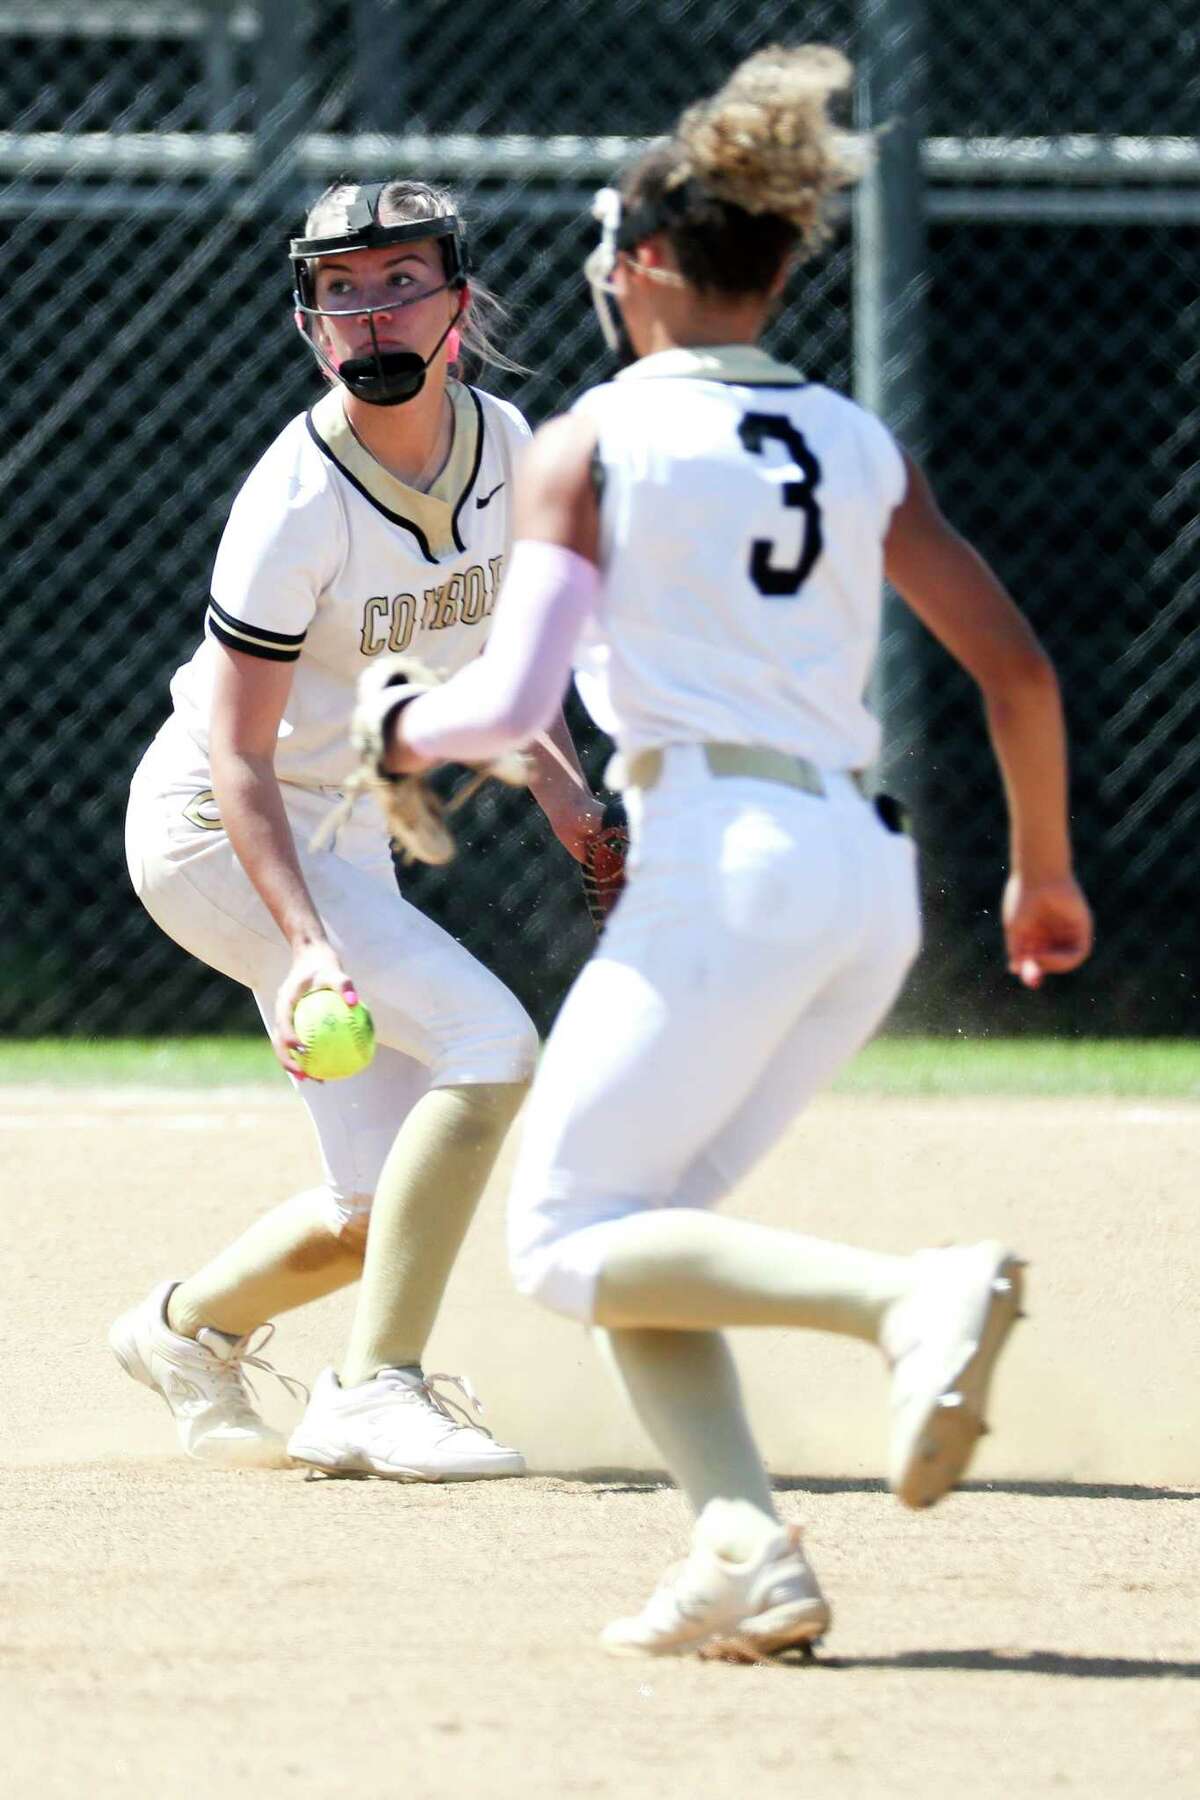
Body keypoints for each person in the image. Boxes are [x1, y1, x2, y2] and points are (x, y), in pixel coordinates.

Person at [370, 46, 1094, 1653]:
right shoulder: (851, 437)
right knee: (638, 1224)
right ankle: (741, 1546)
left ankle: (907, 1300)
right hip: (863, 876)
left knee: (564, 1238)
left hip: (726, 853)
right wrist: (1041, 871)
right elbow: (1021, 670)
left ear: (639, 268)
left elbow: (507, 703)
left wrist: (397, 733)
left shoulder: (597, 436)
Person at [111, 178, 609, 1481]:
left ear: (460, 299)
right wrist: (308, 945)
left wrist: (567, 799)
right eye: (342, 287)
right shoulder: (297, 497)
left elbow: (493, 670)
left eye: (400, 278)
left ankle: (187, 1332)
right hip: (224, 831)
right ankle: (370, 1389)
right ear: (310, 320)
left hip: (336, 831)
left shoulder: (506, 448)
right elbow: (236, 750)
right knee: (494, 1045)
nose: (371, 308)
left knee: (375, 1212)